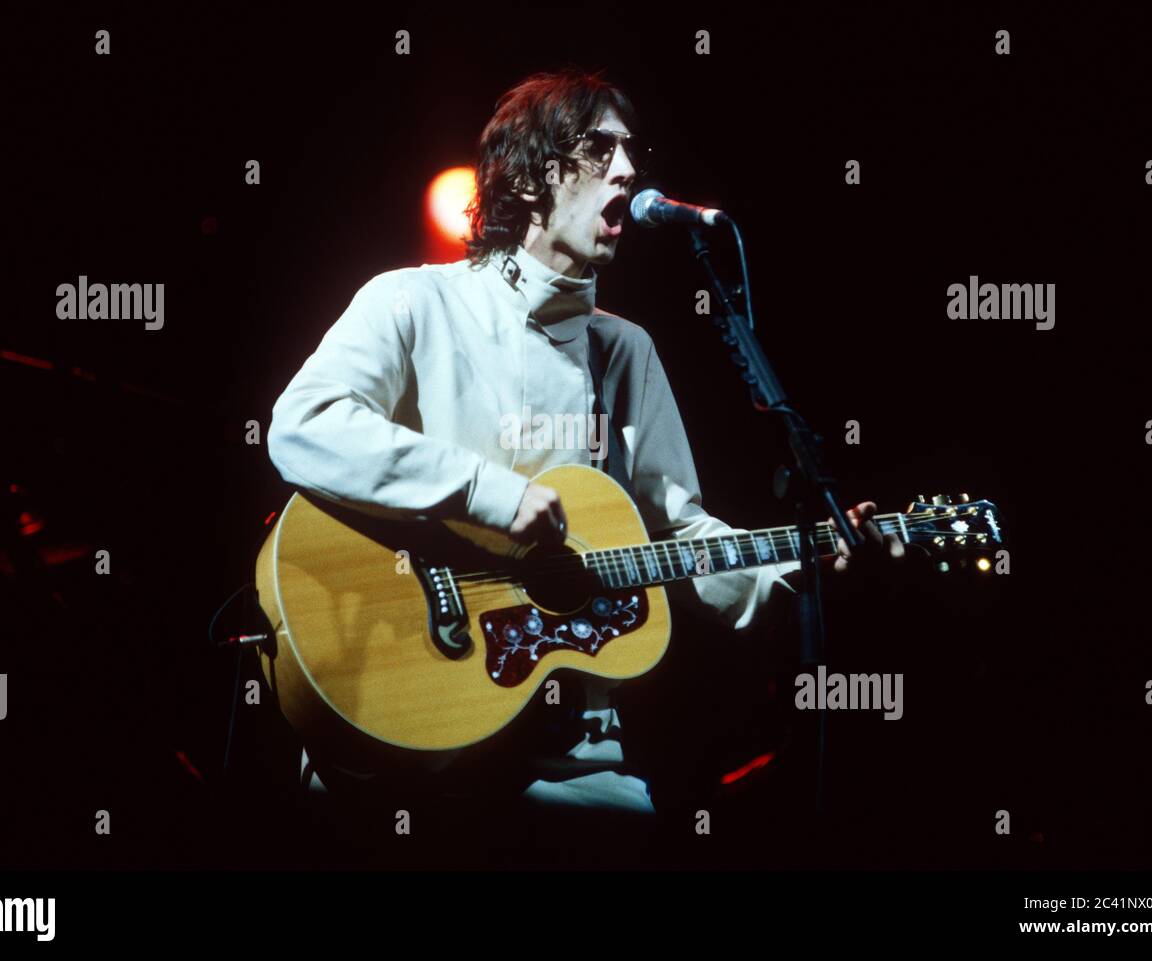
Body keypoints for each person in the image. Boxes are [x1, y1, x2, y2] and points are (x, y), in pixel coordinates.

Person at [266, 67, 903, 835]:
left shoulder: (622, 351)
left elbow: (678, 537)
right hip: (400, 736)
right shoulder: (413, 301)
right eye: (599, 149)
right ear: (533, 175)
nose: (629, 171)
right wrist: (488, 494)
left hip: (575, 762)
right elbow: (304, 422)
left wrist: (800, 559)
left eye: (632, 151)